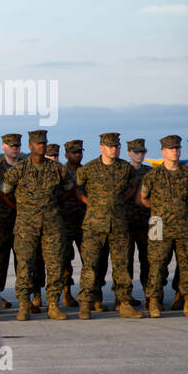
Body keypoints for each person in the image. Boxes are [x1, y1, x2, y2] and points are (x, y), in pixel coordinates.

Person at [1, 130, 73, 320]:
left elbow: (69, 188)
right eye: (38, 143)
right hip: (26, 225)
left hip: (52, 224)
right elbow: (4, 193)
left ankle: (53, 305)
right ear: (30, 146)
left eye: (44, 143)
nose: (42, 146)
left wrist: (55, 203)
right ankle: (24, 305)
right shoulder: (19, 170)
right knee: (25, 264)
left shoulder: (57, 169)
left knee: (55, 264)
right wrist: (19, 207)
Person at [139, 135, 188, 317]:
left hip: (185, 224)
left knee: (187, 264)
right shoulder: (153, 175)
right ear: (163, 152)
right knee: (156, 264)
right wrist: (160, 208)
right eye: (170, 149)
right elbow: (141, 198)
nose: (174, 151)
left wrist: (182, 205)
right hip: (158, 224)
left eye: (176, 148)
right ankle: (153, 302)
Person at [75, 133, 140, 319]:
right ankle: (86, 303)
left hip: (119, 224)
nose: (114, 149)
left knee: (122, 265)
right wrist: (89, 202)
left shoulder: (125, 169)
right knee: (91, 265)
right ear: (101, 148)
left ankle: (124, 302)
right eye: (110, 146)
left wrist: (121, 201)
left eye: (116, 146)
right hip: (94, 225)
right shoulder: (88, 169)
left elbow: (134, 187)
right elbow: (76, 189)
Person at [0, 133, 21, 310]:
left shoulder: (25, 167)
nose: (14, 148)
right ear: (3, 147)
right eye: (10, 145)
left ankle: (27, 296)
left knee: (23, 259)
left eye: (17, 145)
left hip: (22, 221)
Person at [124, 139, 153, 307]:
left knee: (148, 261)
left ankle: (150, 295)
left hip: (147, 223)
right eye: (136, 152)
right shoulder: (122, 172)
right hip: (127, 223)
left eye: (142, 152)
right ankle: (125, 296)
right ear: (129, 152)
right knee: (125, 261)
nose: (140, 155)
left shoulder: (151, 173)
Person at [59, 140, 85, 307]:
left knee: (90, 259)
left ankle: (90, 293)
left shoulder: (87, 171)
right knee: (65, 259)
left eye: (79, 152)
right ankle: (66, 293)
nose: (77, 155)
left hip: (85, 221)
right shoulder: (60, 172)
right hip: (65, 221)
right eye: (74, 152)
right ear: (66, 154)